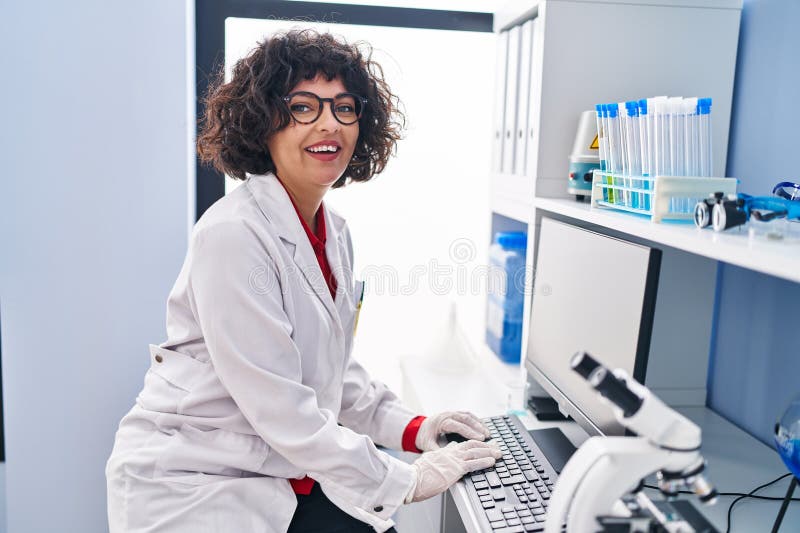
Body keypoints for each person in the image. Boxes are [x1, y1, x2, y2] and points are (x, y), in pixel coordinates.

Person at [105, 28, 501, 533]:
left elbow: (332, 372)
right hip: (194, 486)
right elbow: (283, 410)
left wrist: (416, 428)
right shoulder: (232, 236)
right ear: (263, 122)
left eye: (344, 107)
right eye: (303, 107)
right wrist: (404, 481)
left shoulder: (332, 231)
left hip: (274, 472)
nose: (328, 125)